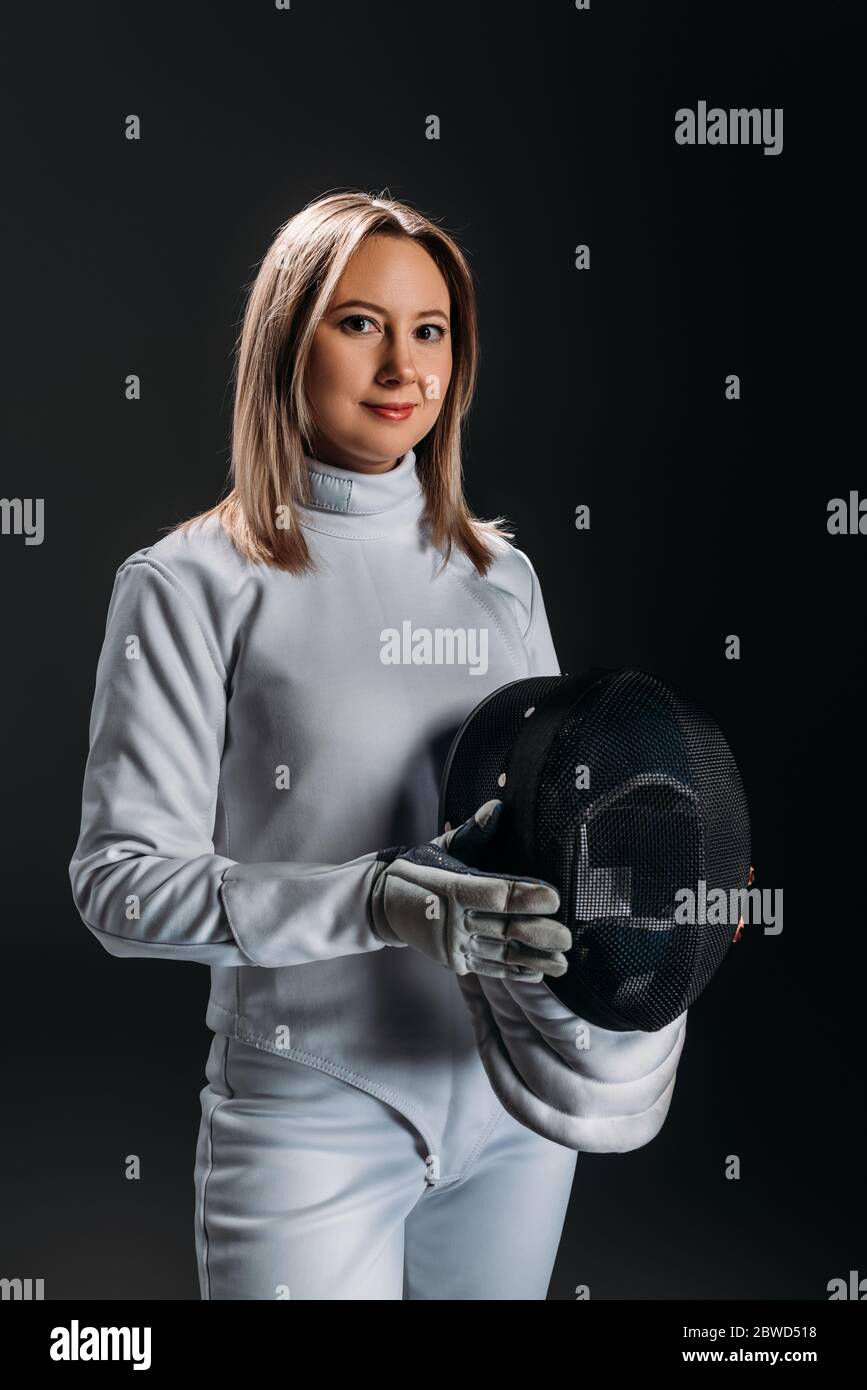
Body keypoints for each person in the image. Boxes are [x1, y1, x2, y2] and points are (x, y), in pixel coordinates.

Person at [69, 190, 675, 1301]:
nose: (404, 366)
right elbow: (120, 888)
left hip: (512, 1107)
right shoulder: (190, 582)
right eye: (360, 323)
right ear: (285, 341)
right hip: (310, 1111)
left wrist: (650, 892)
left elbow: (551, 825)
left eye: (430, 329)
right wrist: (379, 898)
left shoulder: (501, 577)